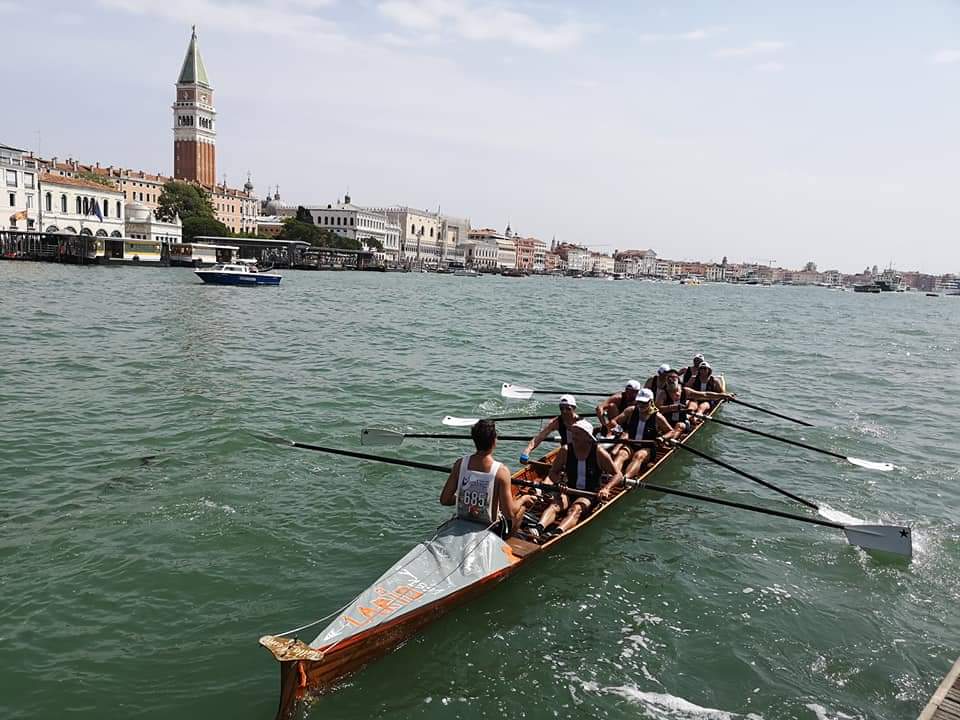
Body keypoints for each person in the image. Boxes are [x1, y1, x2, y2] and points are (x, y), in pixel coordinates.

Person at [440, 420, 535, 538]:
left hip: (464, 521)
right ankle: (505, 542)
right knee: (521, 510)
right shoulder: (501, 471)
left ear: (474, 440)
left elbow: (445, 500)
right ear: (494, 441)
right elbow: (509, 513)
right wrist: (524, 499)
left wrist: (466, 500)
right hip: (490, 528)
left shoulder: (460, 464)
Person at [530, 419, 622, 539]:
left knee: (575, 509)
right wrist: (559, 482)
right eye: (573, 433)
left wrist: (607, 488)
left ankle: (557, 532)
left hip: (589, 493)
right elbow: (553, 472)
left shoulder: (598, 452)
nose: (573, 436)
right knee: (555, 505)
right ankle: (538, 528)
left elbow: (618, 475)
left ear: (587, 437)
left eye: (577, 433)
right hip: (569, 489)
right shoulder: (566, 450)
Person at [607, 388, 679, 476]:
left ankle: (626, 478)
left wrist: (662, 438)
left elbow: (671, 431)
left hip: (647, 448)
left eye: (644, 402)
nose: (641, 405)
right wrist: (617, 429)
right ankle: (613, 476)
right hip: (631, 444)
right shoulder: (630, 411)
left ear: (651, 402)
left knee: (638, 456)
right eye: (639, 402)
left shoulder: (657, 416)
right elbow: (614, 422)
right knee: (621, 454)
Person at [656, 368, 731, 433]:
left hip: (682, 422)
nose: (670, 380)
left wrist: (723, 395)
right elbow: (658, 409)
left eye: (673, 377)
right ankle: (668, 436)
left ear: (678, 379)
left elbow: (705, 394)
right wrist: (673, 407)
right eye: (668, 377)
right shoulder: (663, 394)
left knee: (679, 426)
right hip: (667, 422)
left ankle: (667, 438)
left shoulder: (685, 391)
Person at [520, 394, 579, 464]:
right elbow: (539, 437)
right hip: (565, 454)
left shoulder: (581, 423)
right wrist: (527, 450)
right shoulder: (556, 422)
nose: (564, 411)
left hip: (580, 454)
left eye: (568, 409)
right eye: (561, 408)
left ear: (574, 408)